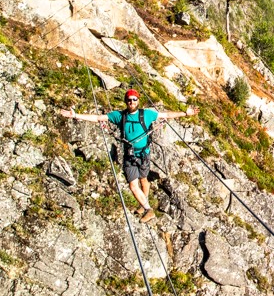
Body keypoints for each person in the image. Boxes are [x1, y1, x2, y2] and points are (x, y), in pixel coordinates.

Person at [60, 89, 194, 222]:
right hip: (129, 155)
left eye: (134, 99)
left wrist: (185, 113)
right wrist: (75, 115)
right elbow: (98, 118)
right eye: (129, 100)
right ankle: (148, 209)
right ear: (126, 101)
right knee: (133, 185)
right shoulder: (119, 116)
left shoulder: (146, 114)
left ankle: (143, 203)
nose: (132, 102)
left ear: (138, 101)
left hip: (144, 154)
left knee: (143, 179)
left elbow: (166, 115)